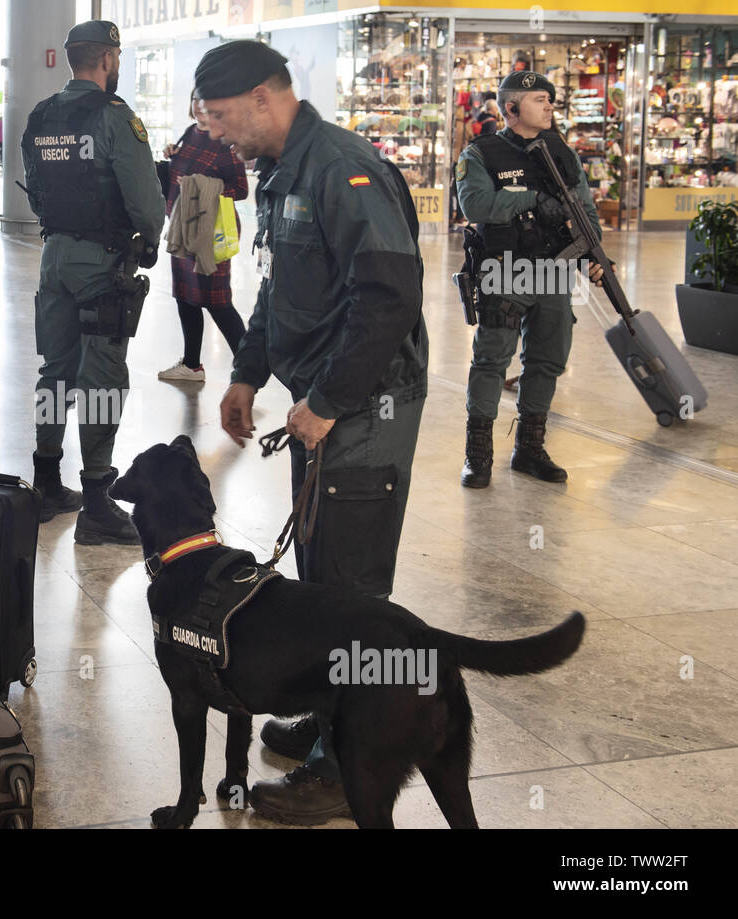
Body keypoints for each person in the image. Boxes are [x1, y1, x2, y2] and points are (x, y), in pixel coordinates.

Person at [202, 40, 428, 824]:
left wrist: (328, 400)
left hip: (366, 406)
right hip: (325, 404)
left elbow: (388, 298)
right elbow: (278, 287)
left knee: (354, 589)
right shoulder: (282, 171)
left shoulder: (343, 169)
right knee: (321, 563)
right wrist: (246, 370)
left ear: (266, 98)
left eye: (225, 119)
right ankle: (334, 707)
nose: (220, 136)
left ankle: (348, 763)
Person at [20, 19, 165, 544]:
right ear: (108, 59)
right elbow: (147, 203)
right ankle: (98, 501)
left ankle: (45, 481)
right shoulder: (115, 119)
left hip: (54, 258)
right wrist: (147, 236)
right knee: (102, 381)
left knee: (54, 372)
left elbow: (34, 190)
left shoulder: (41, 116)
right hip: (102, 265)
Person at [456, 70, 605, 488]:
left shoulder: (562, 153)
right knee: (491, 361)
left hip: (554, 270)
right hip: (505, 271)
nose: (549, 106)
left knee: (547, 360)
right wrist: (533, 200)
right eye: (540, 99)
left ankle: (529, 450)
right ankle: (478, 455)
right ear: (511, 108)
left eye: (550, 100)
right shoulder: (480, 153)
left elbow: (585, 208)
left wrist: (596, 255)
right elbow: (476, 203)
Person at [158, 88, 249, 383]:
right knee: (185, 297)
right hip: (184, 230)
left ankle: (250, 371)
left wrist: (202, 184)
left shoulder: (225, 143)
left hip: (211, 234)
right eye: (195, 99)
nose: (198, 105)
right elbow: (181, 171)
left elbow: (241, 190)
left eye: (205, 100)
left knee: (218, 302)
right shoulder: (190, 132)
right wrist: (172, 155)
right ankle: (192, 365)